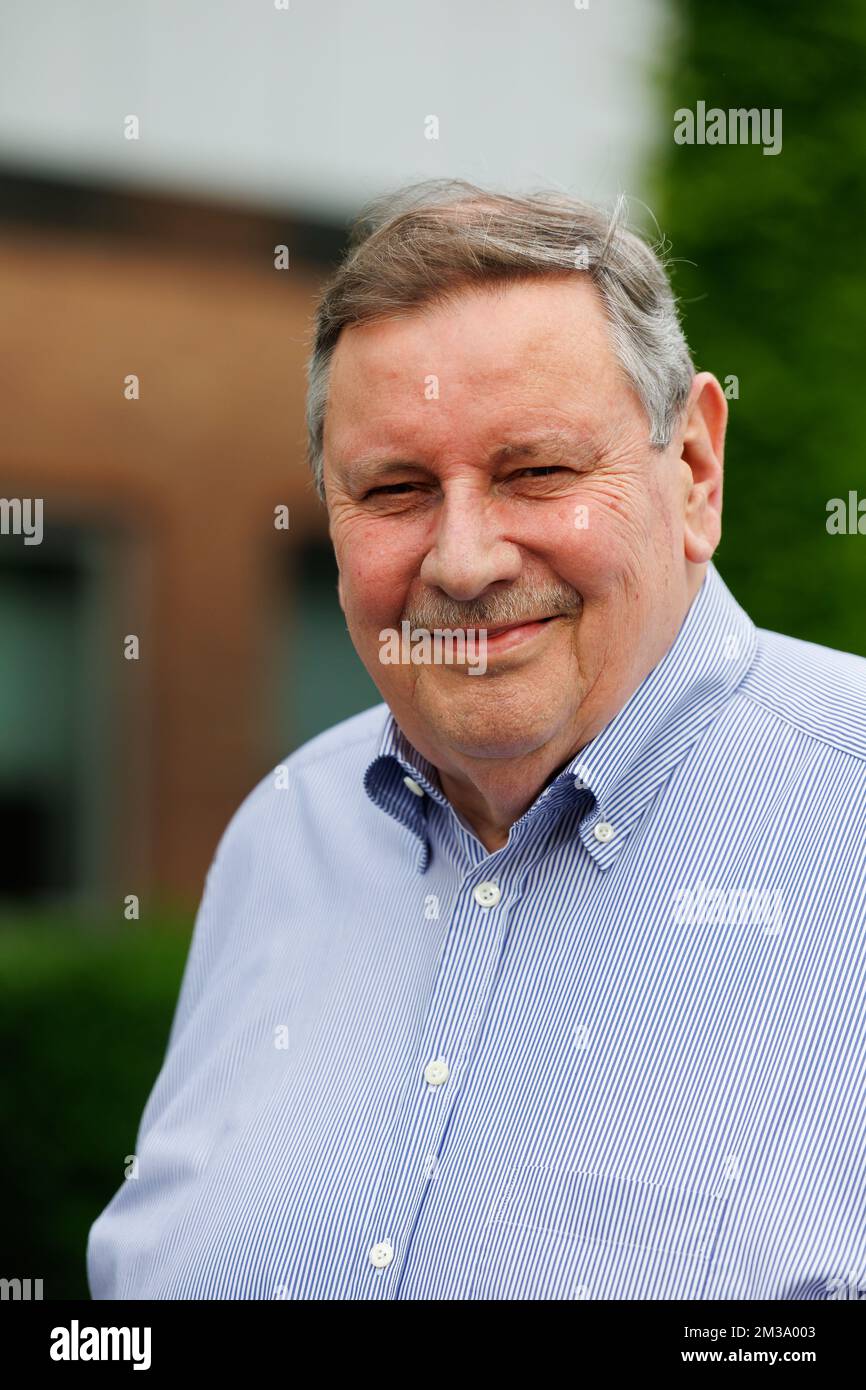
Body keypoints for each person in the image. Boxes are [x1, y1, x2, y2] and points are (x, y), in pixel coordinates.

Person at [88, 181, 866, 1300]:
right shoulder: (285, 834)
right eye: (395, 489)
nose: (461, 562)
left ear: (692, 469)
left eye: (535, 471)